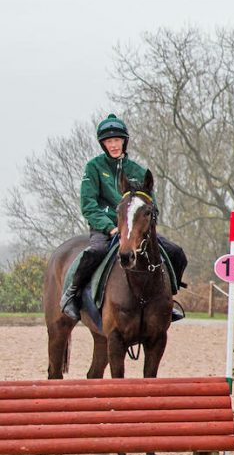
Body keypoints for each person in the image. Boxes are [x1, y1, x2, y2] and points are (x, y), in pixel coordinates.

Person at [61, 114, 188, 321]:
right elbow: (88, 205)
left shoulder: (138, 170)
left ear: (124, 141)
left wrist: (141, 227)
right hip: (106, 228)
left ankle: (168, 300)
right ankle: (72, 294)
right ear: (103, 144)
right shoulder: (93, 168)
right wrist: (110, 227)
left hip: (136, 230)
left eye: (117, 140)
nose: (113, 145)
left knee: (176, 252)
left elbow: (151, 206)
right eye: (109, 141)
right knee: (96, 251)